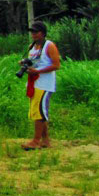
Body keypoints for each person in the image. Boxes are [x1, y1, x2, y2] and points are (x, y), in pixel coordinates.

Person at [22, 21, 60, 150]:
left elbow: (56, 65)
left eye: (36, 32)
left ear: (42, 33)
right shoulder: (32, 46)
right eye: (32, 32)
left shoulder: (49, 46)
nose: (33, 34)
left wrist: (38, 71)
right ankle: (45, 140)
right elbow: (34, 63)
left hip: (44, 83)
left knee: (39, 112)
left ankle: (36, 140)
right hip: (34, 83)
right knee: (38, 111)